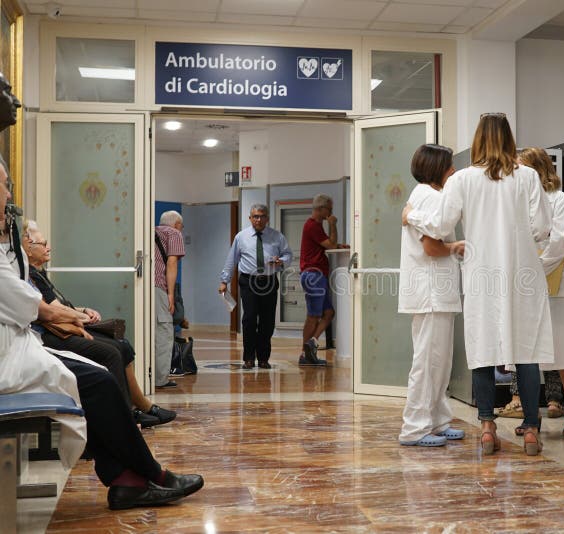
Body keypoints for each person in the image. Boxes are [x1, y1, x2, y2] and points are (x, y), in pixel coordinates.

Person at [0, 164, 203, 510]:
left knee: (100, 374)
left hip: (22, 345)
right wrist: (75, 317)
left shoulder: (9, 246)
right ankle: (146, 474)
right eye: (5, 186)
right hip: (11, 357)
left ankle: (127, 479)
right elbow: (35, 306)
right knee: (99, 381)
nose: (9, 195)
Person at [403, 113, 554, 456]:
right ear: (509, 138)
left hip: (482, 274)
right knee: (526, 351)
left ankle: (487, 427)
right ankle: (531, 430)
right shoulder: (528, 177)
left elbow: (440, 226)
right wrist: (516, 238)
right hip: (522, 275)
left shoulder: (462, 180)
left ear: (477, 139)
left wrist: (411, 215)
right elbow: (543, 228)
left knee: (483, 348)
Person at [23, 219, 176, 427]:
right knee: (113, 351)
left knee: (122, 345)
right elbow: (52, 311)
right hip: (50, 335)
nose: (49, 247)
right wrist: (80, 318)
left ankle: (138, 407)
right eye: (43, 244)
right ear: (28, 248)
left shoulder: (38, 273)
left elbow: (58, 306)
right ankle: (127, 416)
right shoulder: (29, 275)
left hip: (62, 327)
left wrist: (83, 311)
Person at [398, 144, 466, 448]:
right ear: (436, 168)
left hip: (434, 292)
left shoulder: (422, 195)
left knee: (438, 362)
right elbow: (431, 247)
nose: (453, 170)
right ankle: (414, 429)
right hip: (432, 292)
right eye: (449, 165)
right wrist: (455, 247)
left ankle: (437, 420)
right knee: (428, 363)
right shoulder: (432, 196)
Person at [520, 147, 564, 438]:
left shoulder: (559, 200)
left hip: (555, 284)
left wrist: (536, 266)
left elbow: (560, 242)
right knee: (528, 352)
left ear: (537, 170)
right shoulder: (519, 201)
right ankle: (530, 414)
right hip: (527, 283)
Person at [219, 204, 292, 369]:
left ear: (267, 218)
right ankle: (249, 358)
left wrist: (281, 261)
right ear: (250, 218)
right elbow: (232, 259)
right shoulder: (241, 237)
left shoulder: (277, 236)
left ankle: (264, 358)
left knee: (267, 321)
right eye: (255, 216)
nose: (258, 220)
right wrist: (224, 281)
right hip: (248, 281)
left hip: (269, 281)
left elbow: (288, 254)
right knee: (249, 319)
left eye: (262, 216)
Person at [298, 194, 346, 367]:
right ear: (321, 208)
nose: (331, 212)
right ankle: (305, 354)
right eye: (329, 209)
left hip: (318, 275)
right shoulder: (312, 226)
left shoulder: (316, 226)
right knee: (313, 316)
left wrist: (338, 245)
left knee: (328, 313)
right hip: (313, 275)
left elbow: (326, 244)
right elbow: (331, 244)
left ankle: (311, 344)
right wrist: (333, 224)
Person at [154, 210, 185, 387]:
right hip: (158, 286)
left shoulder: (150, 231)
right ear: (177, 224)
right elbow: (172, 263)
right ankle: (160, 378)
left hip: (141, 286)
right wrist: (171, 294)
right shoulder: (174, 233)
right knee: (164, 330)